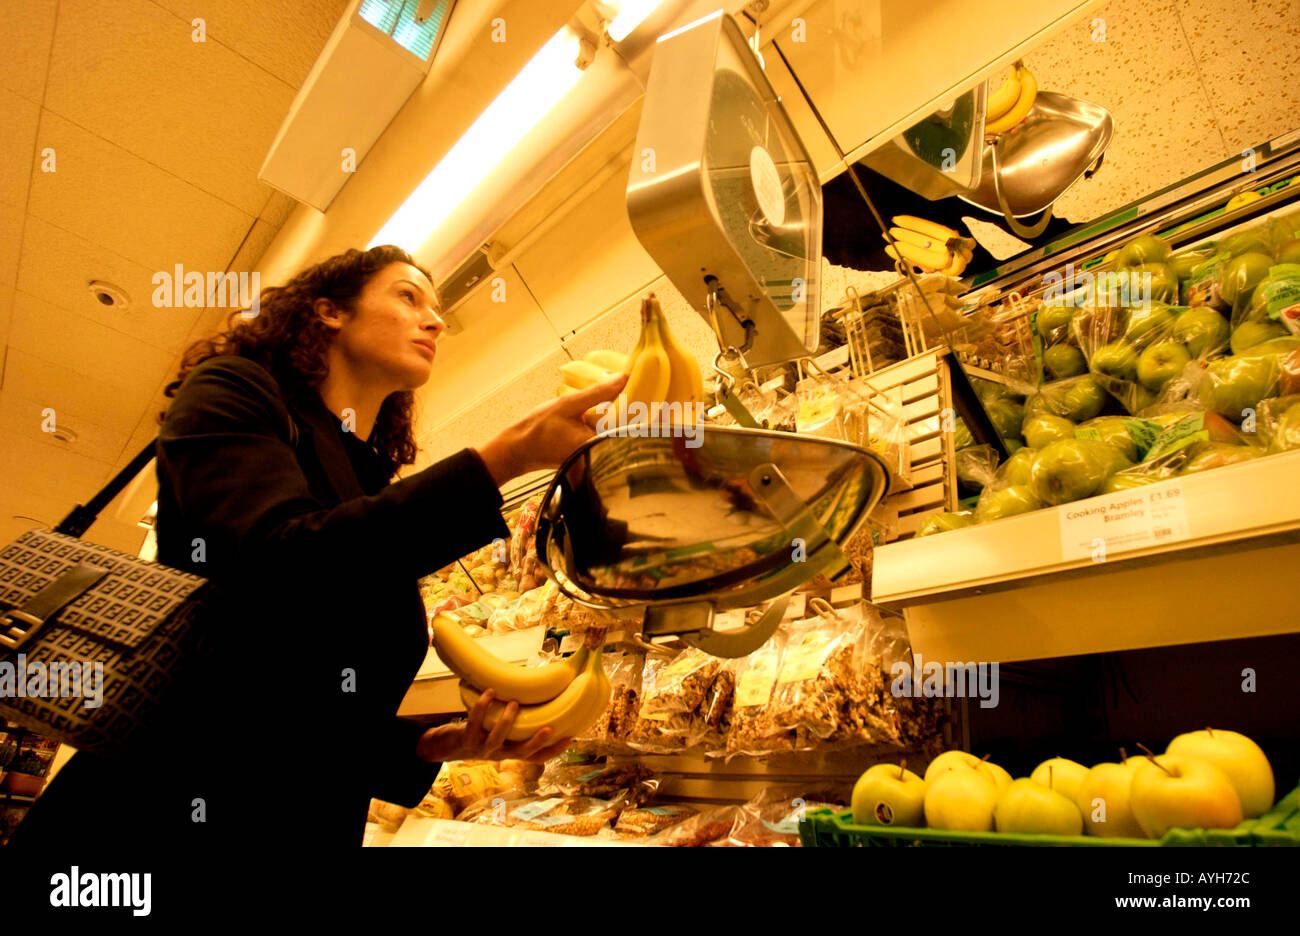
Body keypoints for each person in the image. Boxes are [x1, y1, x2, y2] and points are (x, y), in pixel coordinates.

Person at [8, 245, 627, 849]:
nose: (435, 319)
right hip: (157, 816)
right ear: (330, 311)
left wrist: (432, 746)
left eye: (435, 309)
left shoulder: (364, 478)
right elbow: (281, 567)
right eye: (408, 297)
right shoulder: (234, 391)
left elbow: (303, 694)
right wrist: (507, 453)